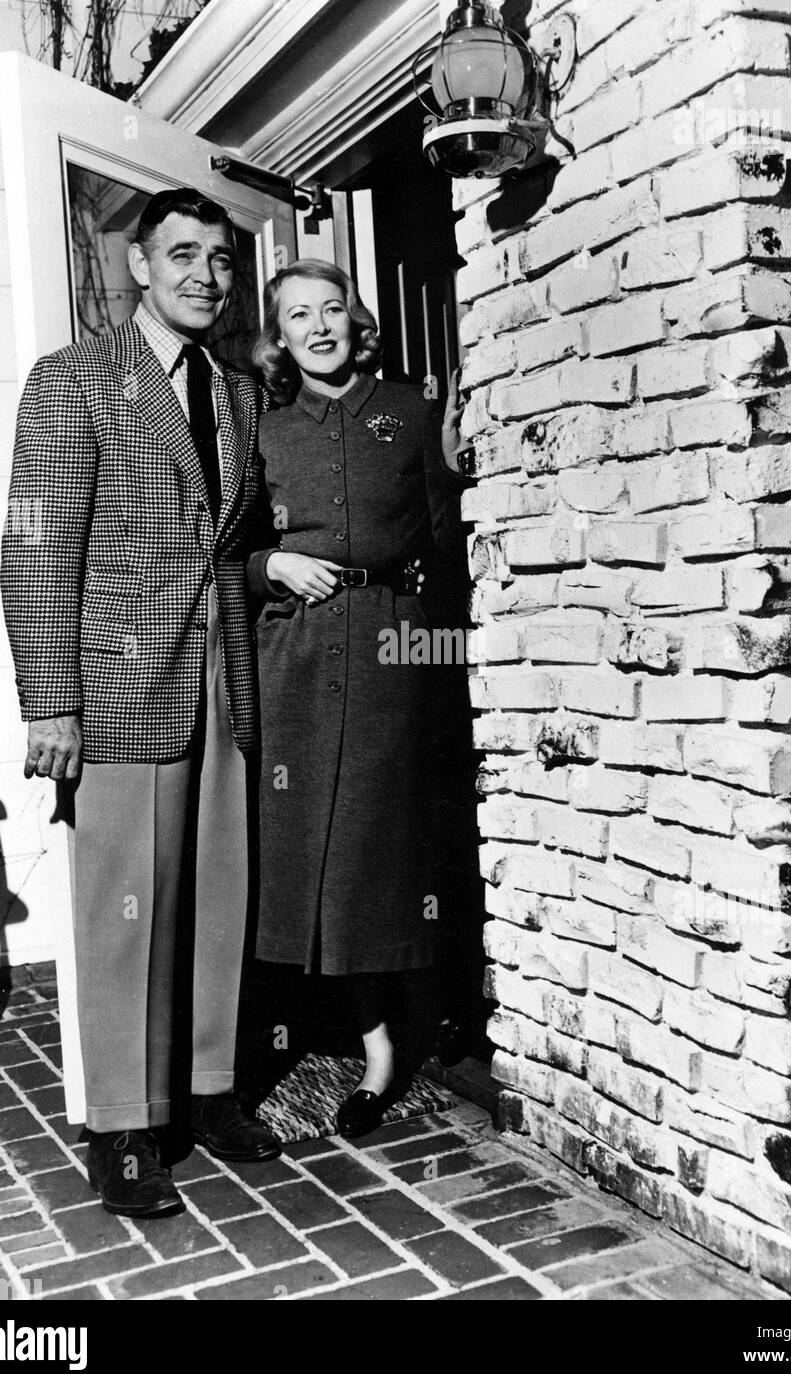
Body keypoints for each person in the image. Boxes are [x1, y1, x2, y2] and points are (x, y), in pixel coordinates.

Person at [0, 187, 281, 1219]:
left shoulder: (237, 392)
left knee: (217, 890)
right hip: (117, 681)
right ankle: (121, 1127)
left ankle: (207, 1093)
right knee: (122, 911)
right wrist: (50, 702)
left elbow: (230, 547)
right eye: (182, 255)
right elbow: (33, 545)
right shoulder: (71, 383)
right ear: (136, 266)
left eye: (218, 257)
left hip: (221, 676)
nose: (204, 275)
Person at [247, 258, 475, 1138]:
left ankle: (417, 1028)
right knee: (324, 863)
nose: (318, 327)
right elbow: (227, 554)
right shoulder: (262, 432)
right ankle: (378, 1044)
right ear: (279, 335)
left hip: (393, 651)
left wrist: (456, 473)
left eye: (332, 309)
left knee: (390, 856)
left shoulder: (410, 412)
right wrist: (273, 565)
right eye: (298, 314)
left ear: (357, 320)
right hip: (297, 663)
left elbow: (449, 542)